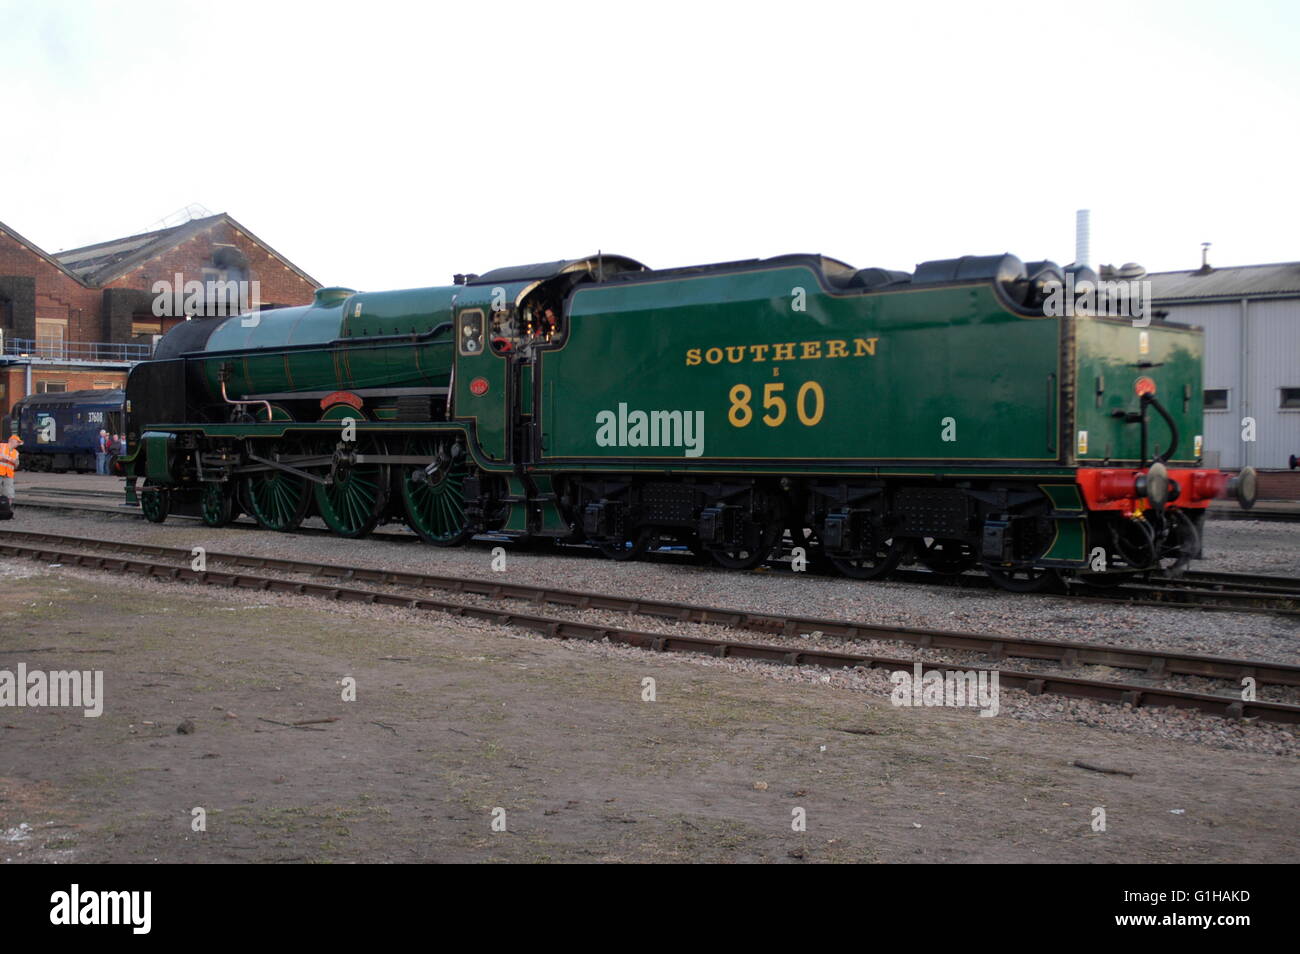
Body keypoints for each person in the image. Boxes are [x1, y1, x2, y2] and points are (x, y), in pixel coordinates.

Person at [0, 434, 22, 511]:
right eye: (17, 442)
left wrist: (16, 463)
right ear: (12, 441)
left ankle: (7, 511)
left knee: (9, 494)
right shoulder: (1, 446)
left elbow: (16, 466)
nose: (18, 444)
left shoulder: (16, 453)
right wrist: (8, 458)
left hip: (9, 475)